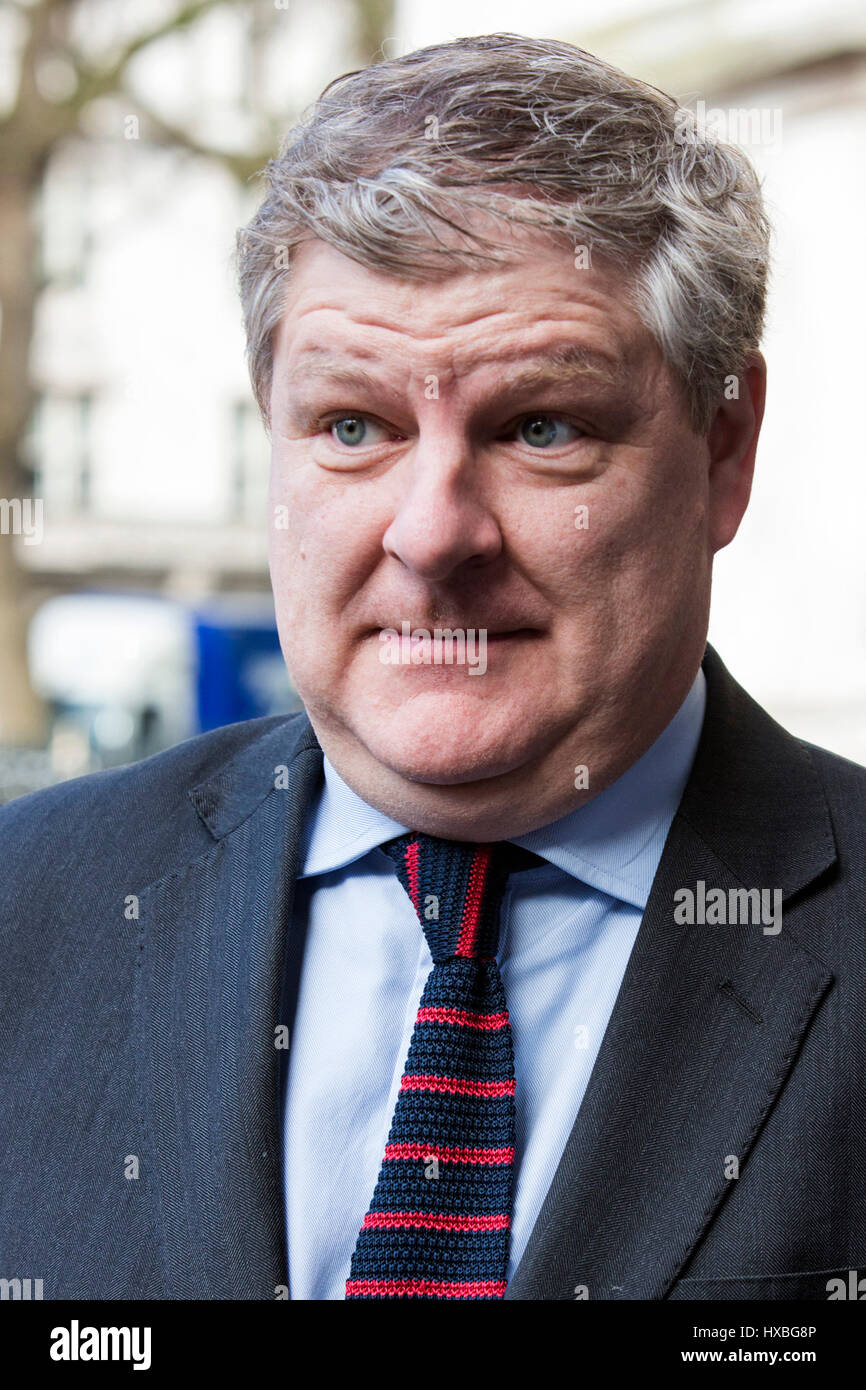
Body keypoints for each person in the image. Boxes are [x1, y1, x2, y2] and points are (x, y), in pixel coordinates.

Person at [1, 32, 864, 1302]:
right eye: (352, 426)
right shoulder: (30, 910)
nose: (429, 532)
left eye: (540, 426)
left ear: (723, 451)